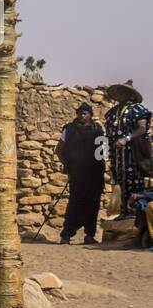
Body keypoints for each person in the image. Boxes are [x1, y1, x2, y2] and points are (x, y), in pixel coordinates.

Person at [55, 102, 105, 244]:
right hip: (76, 174)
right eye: (80, 113)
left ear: (90, 115)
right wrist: (68, 167)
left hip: (94, 174)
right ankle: (66, 235)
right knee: (74, 203)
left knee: (93, 204)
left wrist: (101, 169)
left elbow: (102, 151)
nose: (82, 115)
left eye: (85, 113)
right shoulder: (69, 129)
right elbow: (59, 150)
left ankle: (89, 235)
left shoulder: (97, 129)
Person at [103, 81, 151, 217]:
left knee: (135, 180)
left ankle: (137, 214)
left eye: (122, 91)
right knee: (119, 182)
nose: (119, 94)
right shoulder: (112, 113)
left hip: (134, 153)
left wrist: (126, 138)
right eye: (118, 91)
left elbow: (142, 129)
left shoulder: (137, 109)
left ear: (130, 94)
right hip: (118, 155)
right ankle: (123, 212)